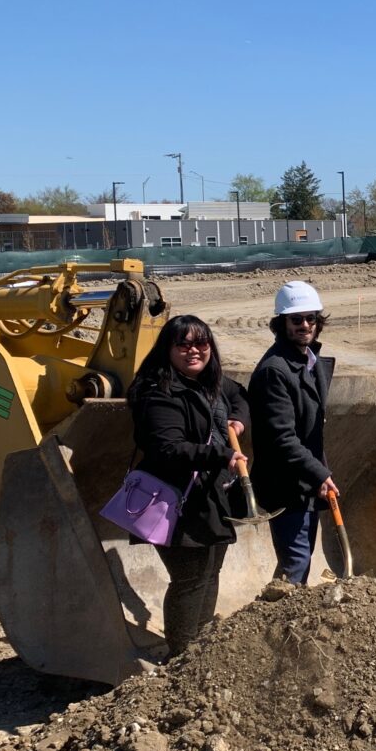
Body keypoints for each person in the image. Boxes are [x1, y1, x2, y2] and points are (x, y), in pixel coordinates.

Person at [127, 315, 248, 657]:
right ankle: (181, 654)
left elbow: (238, 394)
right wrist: (220, 455)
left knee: (211, 572)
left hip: (209, 500)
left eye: (201, 343)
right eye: (183, 344)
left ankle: (201, 648)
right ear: (168, 349)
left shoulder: (211, 383)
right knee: (190, 579)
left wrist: (238, 420)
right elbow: (167, 447)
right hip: (175, 501)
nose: (193, 351)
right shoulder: (158, 391)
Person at [249, 281, 337, 583]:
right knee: (296, 563)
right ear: (281, 323)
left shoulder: (307, 360)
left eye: (310, 318)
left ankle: (277, 611)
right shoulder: (275, 370)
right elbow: (282, 438)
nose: (305, 325)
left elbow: (311, 431)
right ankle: (275, 625)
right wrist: (320, 473)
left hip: (304, 482)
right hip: (284, 485)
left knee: (297, 560)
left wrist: (318, 474)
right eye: (296, 319)